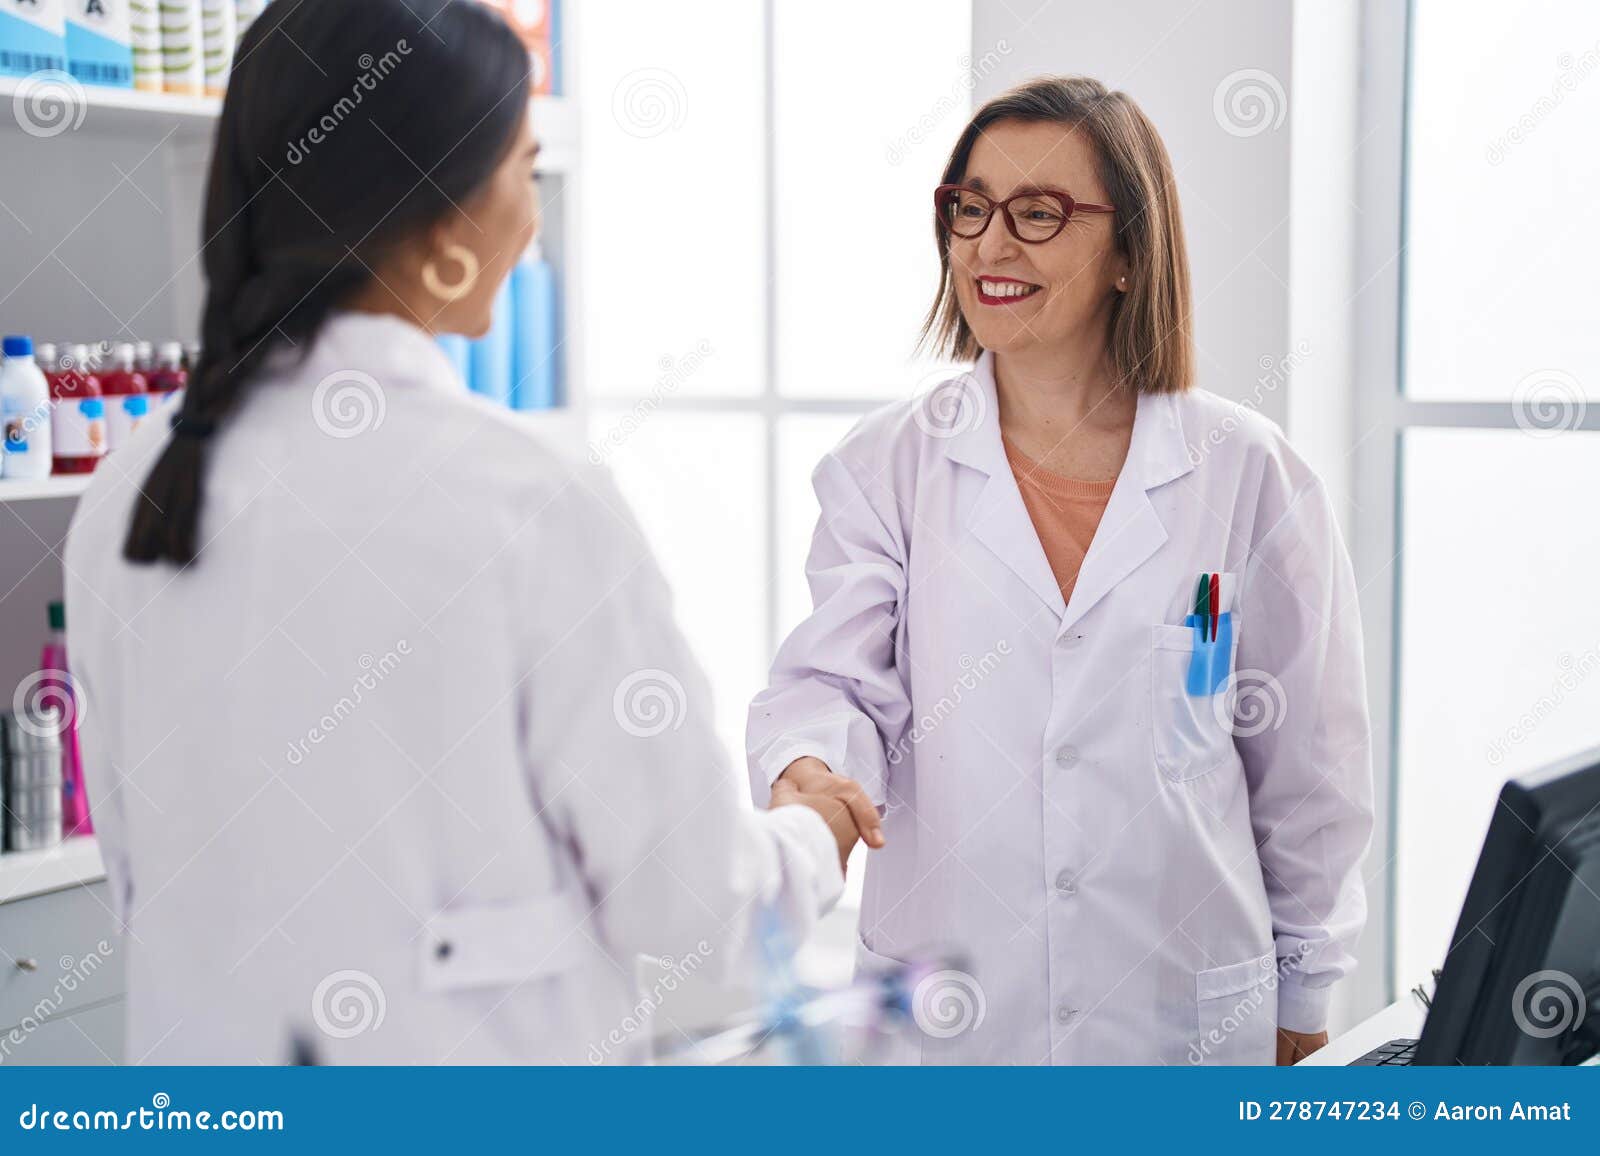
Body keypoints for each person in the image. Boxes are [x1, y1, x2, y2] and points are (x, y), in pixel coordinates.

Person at [64, 0, 880, 1064]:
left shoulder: (130, 488)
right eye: (522, 168)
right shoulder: (528, 496)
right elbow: (693, 914)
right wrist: (814, 831)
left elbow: (137, 878)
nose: (531, 217)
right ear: (446, 212)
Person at [747, 76, 1374, 1065]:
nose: (990, 244)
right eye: (970, 206)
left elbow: (1309, 763)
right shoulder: (885, 469)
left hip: (1184, 1012)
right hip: (949, 1014)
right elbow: (834, 682)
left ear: (1130, 249)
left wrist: (1307, 988)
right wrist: (814, 767)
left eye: (1038, 214)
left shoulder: (1247, 471)